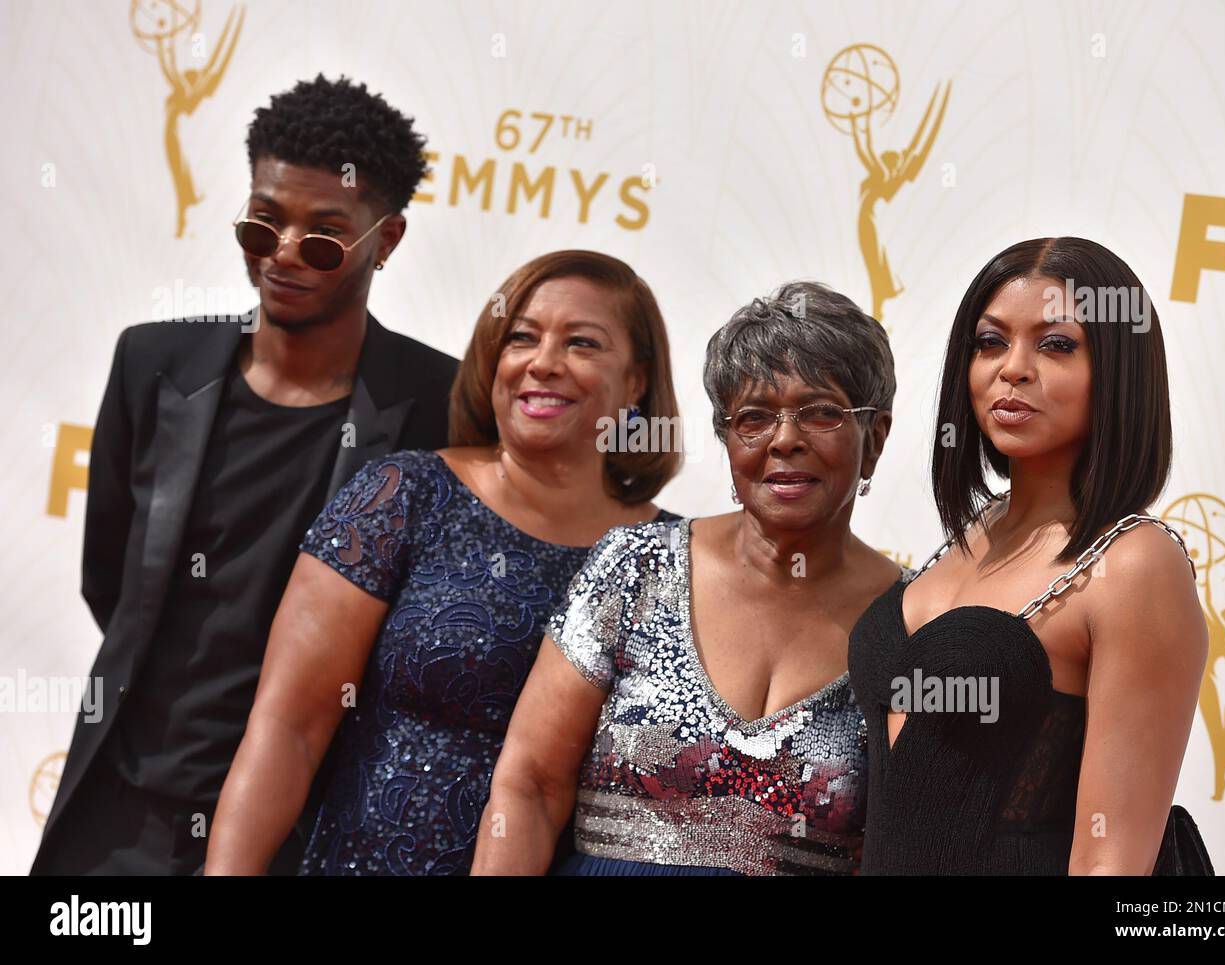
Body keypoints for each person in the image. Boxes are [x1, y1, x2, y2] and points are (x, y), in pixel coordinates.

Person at [31, 75, 457, 876]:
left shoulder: (437, 403)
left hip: (295, 832)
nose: (285, 256)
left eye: (325, 237)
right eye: (263, 224)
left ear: (387, 240)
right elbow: (113, 580)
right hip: (114, 817)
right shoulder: (152, 363)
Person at [204, 250, 681, 875]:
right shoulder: (405, 494)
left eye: (582, 343)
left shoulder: (671, 560)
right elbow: (288, 728)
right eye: (523, 337)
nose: (543, 362)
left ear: (638, 381)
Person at [472, 281, 903, 876]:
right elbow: (530, 787)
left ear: (874, 438)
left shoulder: (909, 617)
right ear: (727, 439)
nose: (784, 440)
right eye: (753, 418)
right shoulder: (635, 567)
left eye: (822, 413)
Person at [847, 236, 1211, 875]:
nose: (1012, 368)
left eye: (1056, 344)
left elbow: (1112, 860)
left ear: (1120, 372)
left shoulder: (1133, 563)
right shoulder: (967, 537)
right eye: (991, 342)